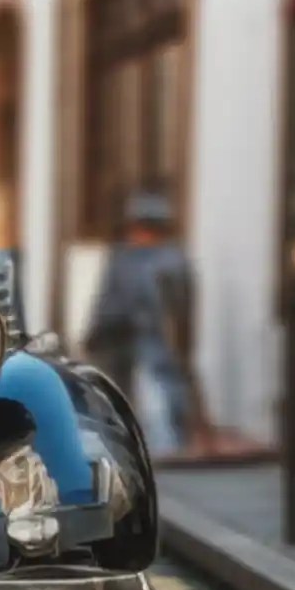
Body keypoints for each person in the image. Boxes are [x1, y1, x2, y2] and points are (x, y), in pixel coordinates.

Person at [84, 191, 201, 457]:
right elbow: (109, 297)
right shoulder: (122, 258)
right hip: (121, 336)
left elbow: (177, 306)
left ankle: (170, 444)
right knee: (117, 393)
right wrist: (98, 328)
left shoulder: (171, 260)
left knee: (163, 392)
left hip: (157, 338)